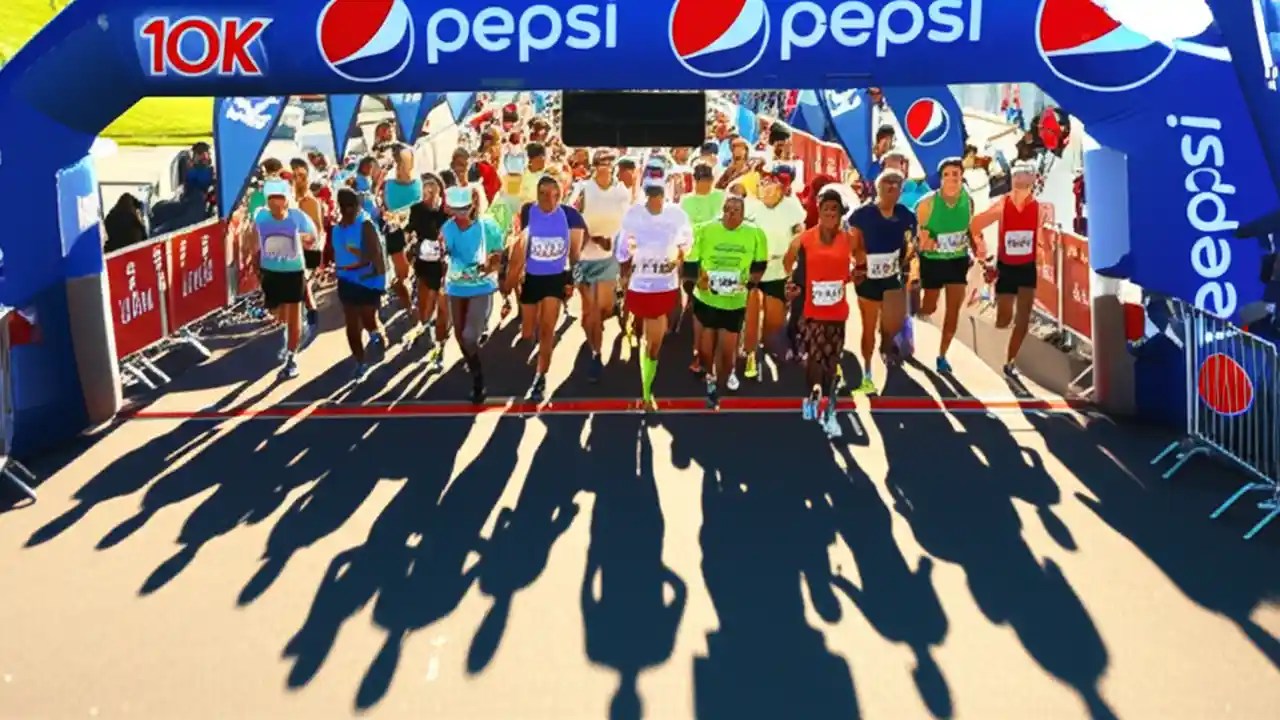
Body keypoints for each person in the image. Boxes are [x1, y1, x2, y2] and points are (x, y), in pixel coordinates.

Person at [616, 167, 694, 410]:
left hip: (665, 284)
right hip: (641, 285)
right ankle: (646, 390)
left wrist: (678, 256)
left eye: (659, 192)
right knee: (647, 335)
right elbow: (620, 251)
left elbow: (687, 244)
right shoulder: (633, 214)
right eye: (651, 192)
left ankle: (647, 389)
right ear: (645, 191)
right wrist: (629, 251)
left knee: (654, 341)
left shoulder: (677, 215)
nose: (655, 197)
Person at [969, 162, 1054, 377]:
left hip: (1027, 268)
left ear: (1033, 181)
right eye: (1017, 179)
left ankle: (1009, 361)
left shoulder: (1041, 208)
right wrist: (982, 256)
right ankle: (989, 349)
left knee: (1023, 318)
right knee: (1004, 318)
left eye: (1026, 180)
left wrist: (1044, 259)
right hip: (1006, 267)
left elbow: (1045, 237)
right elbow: (975, 225)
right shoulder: (1003, 204)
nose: (1021, 184)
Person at [684, 196, 768, 410]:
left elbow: (759, 265)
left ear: (743, 213)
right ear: (722, 210)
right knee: (706, 348)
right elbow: (691, 262)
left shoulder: (755, 233)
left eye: (736, 210)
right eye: (728, 209)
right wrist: (697, 281)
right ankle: (710, 382)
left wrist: (749, 284)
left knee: (727, 352)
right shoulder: (704, 230)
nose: (731, 213)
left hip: (734, 302)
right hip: (707, 299)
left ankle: (720, 379)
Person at [783, 189, 855, 438]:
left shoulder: (849, 238)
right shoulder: (804, 238)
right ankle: (814, 398)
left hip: (837, 312)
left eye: (835, 209)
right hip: (811, 311)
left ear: (840, 213)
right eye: (826, 208)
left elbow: (860, 262)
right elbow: (788, 260)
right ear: (819, 210)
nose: (830, 213)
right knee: (815, 360)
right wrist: (792, 282)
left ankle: (829, 408)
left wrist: (855, 274)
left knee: (832, 363)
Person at [509, 175, 586, 402]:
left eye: (555, 195)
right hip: (532, 279)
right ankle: (537, 352)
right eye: (543, 194)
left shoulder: (570, 216)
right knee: (528, 330)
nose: (549, 200)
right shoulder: (528, 212)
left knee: (547, 330)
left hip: (555, 279)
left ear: (562, 194)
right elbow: (520, 243)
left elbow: (575, 254)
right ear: (536, 194)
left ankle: (541, 377)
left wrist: (572, 281)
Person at [847, 170, 915, 393]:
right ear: (877, 187)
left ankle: (887, 344)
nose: (892, 188)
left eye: (897, 184)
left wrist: (907, 266)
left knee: (891, 326)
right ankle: (867, 373)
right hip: (868, 278)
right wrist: (860, 263)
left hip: (892, 277)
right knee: (868, 325)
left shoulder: (905, 214)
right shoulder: (862, 214)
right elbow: (853, 245)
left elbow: (912, 244)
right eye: (887, 183)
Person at [246, 179, 318, 380]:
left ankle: (291, 358)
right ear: (267, 201)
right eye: (272, 200)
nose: (276, 204)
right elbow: (251, 238)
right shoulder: (260, 216)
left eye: (280, 199)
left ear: (287, 201)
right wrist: (254, 261)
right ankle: (291, 330)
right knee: (277, 313)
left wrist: (304, 244)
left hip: (294, 271)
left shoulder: (297, 217)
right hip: (270, 272)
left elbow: (314, 236)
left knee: (293, 315)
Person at [569, 150, 629, 381]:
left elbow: (626, 224)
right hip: (585, 258)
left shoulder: (621, 191)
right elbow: (572, 218)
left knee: (602, 307)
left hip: (608, 259)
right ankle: (596, 354)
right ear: (593, 166)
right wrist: (591, 239)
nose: (605, 167)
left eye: (608, 163)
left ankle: (605, 315)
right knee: (591, 311)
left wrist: (615, 244)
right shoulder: (583, 189)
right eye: (600, 163)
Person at [441, 185, 505, 403]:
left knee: (470, 336)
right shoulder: (447, 228)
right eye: (455, 209)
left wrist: (486, 267)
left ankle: (479, 379)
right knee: (460, 337)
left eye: (464, 209)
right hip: (456, 287)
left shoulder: (488, 226)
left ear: (474, 205)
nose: (460, 215)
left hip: (481, 287)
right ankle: (472, 363)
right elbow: (445, 254)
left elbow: (498, 256)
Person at [743, 165, 806, 383]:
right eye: (764, 181)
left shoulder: (792, 205)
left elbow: (800, 232)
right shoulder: (750, 206)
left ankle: (770, 347)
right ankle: (750, 354)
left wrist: (791, 256)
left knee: (774, 320)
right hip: (753, 269)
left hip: (779, 268)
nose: (767, 186)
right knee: (751, 315)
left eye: (772, 182)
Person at [915, 157, 974, 373]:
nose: (951, 179)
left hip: (957, 261)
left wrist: (978, 252)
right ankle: (908, 323)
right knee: (928, 306)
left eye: (955, 175)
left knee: (953, 311)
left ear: (961, 177)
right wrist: (928, 243)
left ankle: (942, 356)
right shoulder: (927, 204)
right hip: (933, 262)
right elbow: (920, 240)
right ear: (940, 179)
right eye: (947, 175)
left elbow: (970, 229)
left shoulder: (968, 200)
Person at [332, 188, 389, 381]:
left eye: (352, 207)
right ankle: (360, 361)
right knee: (352, 322)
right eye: (345, 208)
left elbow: (376, 254)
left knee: (367, 318)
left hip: (368, 281)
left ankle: (376, 331)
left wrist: (382, 283)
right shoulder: (337, 229)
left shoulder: (366, 225)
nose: (349, 211)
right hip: (346, 281)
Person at [408, 173, 451, 371]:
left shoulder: (447, 211)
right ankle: (424, 326)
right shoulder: (416, 209)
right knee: (426, 303)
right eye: (426, 188)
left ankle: (440, 347)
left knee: (441, 305)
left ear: (440, 190)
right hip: (424, 263)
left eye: (433, 188)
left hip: (444, 266)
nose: (430, 192)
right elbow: (409, 229)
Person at [380, 145, 421, 320]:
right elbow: (384, 207)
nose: (402, 165)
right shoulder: (388, 183)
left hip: (414, 230)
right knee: (403, 273)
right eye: (399, 161)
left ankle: (409, 301)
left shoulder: (418, 181)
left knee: (413, 270)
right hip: (395, 230)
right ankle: (407, 302)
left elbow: (419, 206)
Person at [289, 159, 326, 338]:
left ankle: (312, 319)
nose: (298, 179)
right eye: (294, 175)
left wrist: (314, 245)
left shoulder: (311, 202)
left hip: (308, 249)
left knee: (304, 286)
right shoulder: (287, 200)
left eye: (301, 175)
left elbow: (318, 229)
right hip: (290, 248)